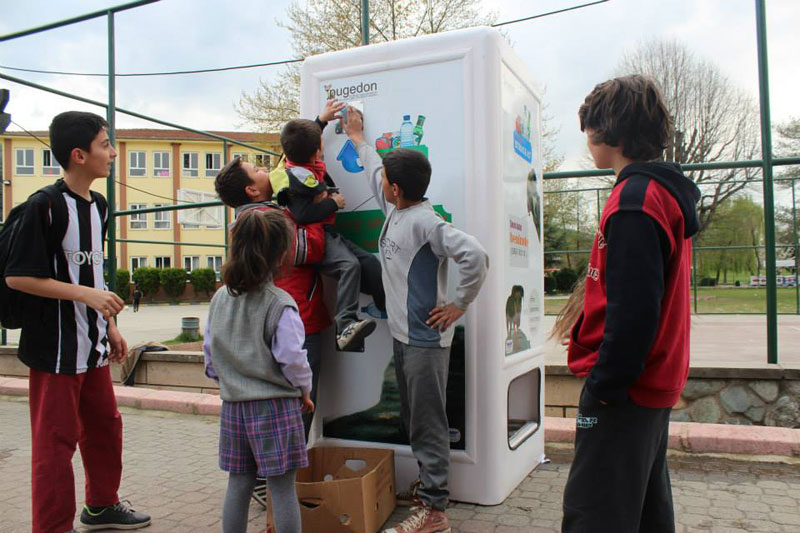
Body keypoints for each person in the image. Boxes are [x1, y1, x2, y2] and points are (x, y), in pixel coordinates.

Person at [557, 75, 700, 533]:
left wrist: (604, 386)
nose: (587, 141)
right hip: (649, 383)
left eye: (589, 129)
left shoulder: (635, 201)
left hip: (625, 389)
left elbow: (635, 312)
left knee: (594, 512)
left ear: (609, 131)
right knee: (644, 512)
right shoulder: (656, 193)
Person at [344, 107, 489, 533]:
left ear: (396, 189)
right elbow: (374, 166)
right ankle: (428, 490)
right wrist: (356, 137)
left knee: (427, 424)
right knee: (412, 418)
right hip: (404, 337)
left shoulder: (426, 222)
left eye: (387, 181)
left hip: (425, 340)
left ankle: (435, 511)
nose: (381, 183)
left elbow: (475, 256)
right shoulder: (397, 209)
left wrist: (460, 303)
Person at [5, 111, 151, 532]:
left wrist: (109, 325)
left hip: (93, 347)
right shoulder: (44, 206)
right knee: (55, 444)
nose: (112, 153)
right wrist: (86, 296)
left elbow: (93, 273)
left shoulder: (99, 207)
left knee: (106, 429)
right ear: (78, 154)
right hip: (54, 350)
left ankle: (102, 506)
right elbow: (18, 276)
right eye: (105, 145)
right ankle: (52, 526)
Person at [204, 208, 314, 533]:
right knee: (281, 487)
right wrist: (304, 391)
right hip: (275, 408)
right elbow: (293, 358)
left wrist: (229, 381)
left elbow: (210, 353)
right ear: (281, 254)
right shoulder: (279, 303)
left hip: (234, 407)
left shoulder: (219, 298)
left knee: (238, 484)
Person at [214, 155, 327, 440]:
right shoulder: (265, 219)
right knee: (298, 403)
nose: (265, 169)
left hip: (276, 319)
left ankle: (267, 473)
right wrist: (316, 213)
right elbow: (305, 250)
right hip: (298, 314)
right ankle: (283, 469)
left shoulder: (248, 218)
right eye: (257, 169)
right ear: (251, 190)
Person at [276, 102, 385, 352]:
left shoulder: (294, 159)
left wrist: (321, 120)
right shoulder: (295, 180)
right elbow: (302, 214)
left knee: (369, 264)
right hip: (318, 240)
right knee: (350, 266)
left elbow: (301, 138)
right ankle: (345, 324)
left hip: (328, 235)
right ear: (317, 154)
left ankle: (385, 304)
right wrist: (333, 204)